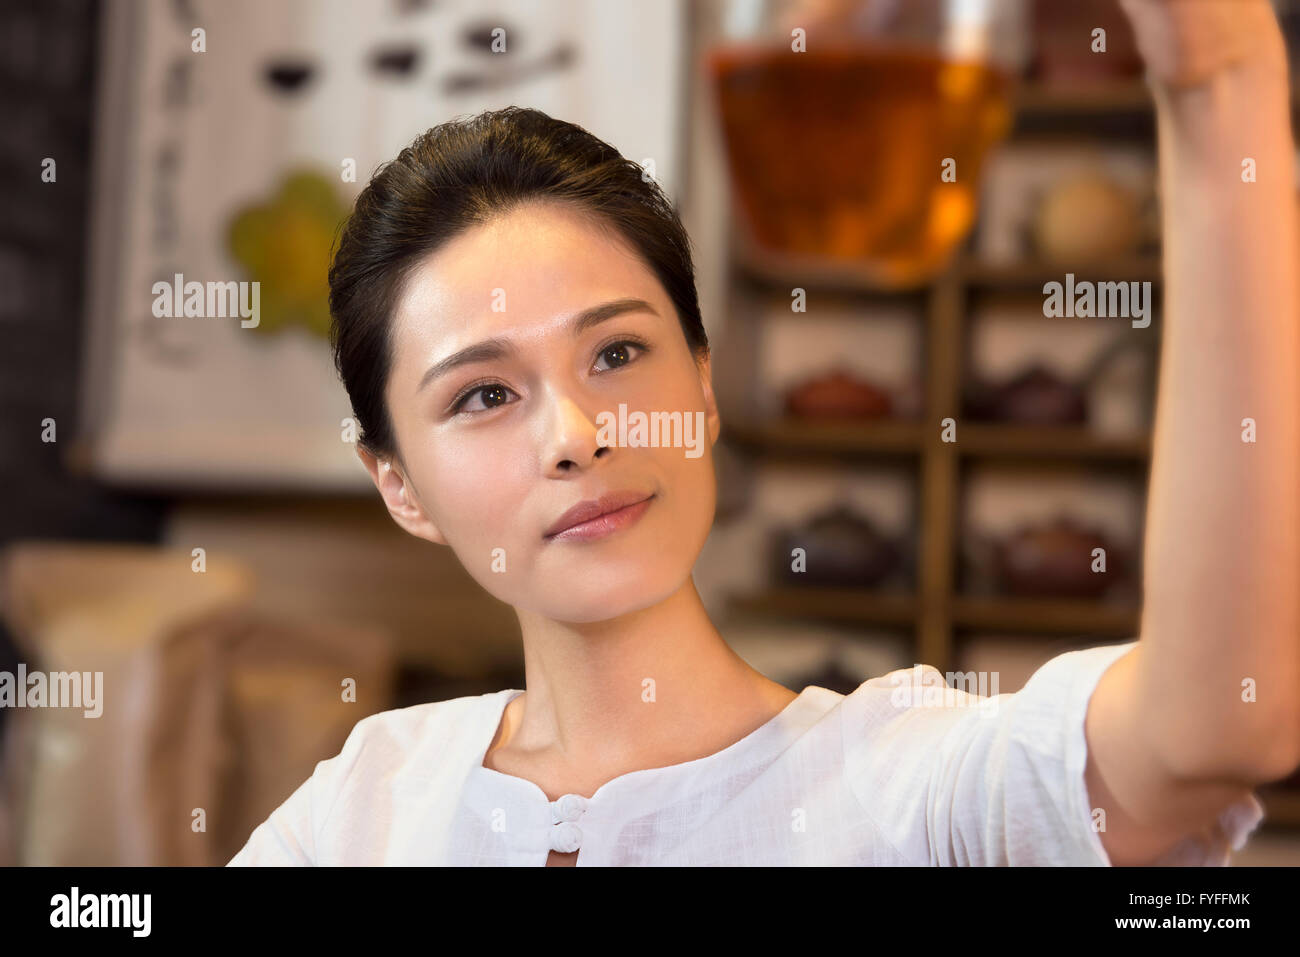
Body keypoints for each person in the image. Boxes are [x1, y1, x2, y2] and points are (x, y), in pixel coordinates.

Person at [228, 0, 1298, 866]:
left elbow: (1217, 730)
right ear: (398, 485)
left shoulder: (907, 788)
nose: (575, 434)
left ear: (701, 385)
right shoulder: (362, 808)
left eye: (615, 354)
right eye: (483, 396)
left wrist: (1220, 77)